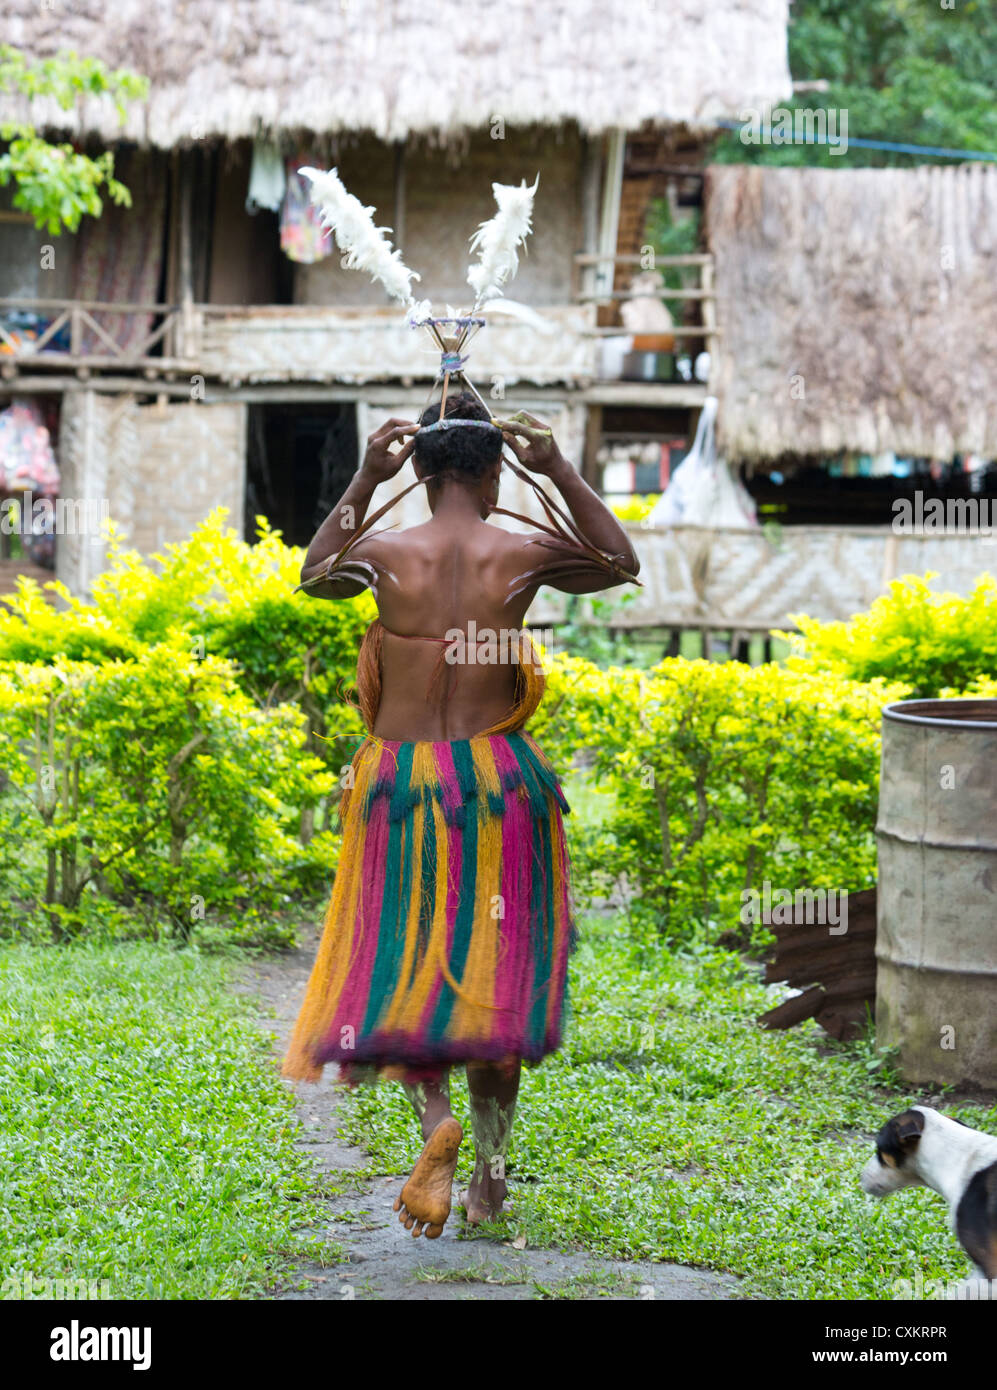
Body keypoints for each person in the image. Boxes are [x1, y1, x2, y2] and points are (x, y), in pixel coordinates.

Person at [282, 393, 639, 1238]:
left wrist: (366, 479)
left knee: (406, 963)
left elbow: (314, 573)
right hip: (497, 785)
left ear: (417, 472)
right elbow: (618, 563)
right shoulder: (517, 547)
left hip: (400, 783)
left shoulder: (384, 550)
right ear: (491, 477)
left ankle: (433, 1113)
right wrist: (554, 469)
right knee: (494, 975)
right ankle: (487, 1180)